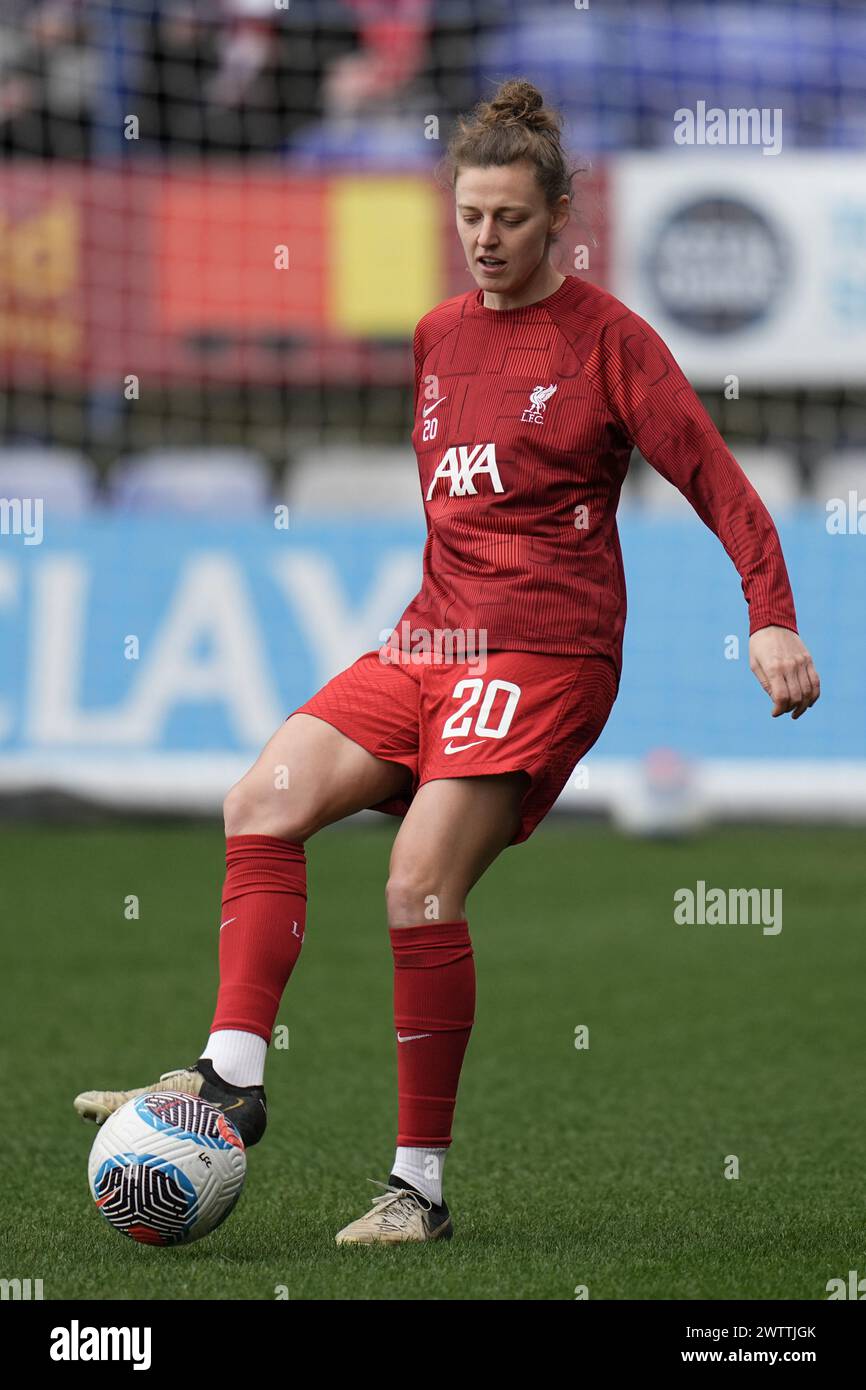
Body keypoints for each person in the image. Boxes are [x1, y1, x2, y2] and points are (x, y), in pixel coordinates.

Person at [74, 77, 820, 1245]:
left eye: (509, 219)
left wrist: (767, 614)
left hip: (546, 653)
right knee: (259, 800)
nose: (485, 238)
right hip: (432, 639)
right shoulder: (434, 335)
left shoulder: (611, 341)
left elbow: (717, 482)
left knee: (419, 882)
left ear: (559, 217)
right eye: (469, 216)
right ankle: (228, 1077)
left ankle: (415, 1187)